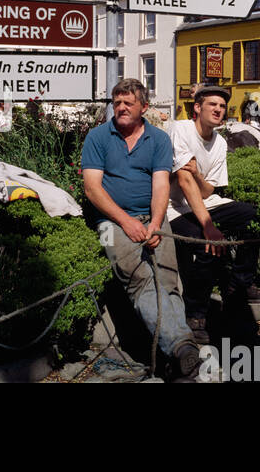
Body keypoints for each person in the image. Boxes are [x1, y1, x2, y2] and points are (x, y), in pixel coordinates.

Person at [81, 78, 201, 380]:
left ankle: (178, 355)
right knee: (140, 278)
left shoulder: (159, 140)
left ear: (143, 107)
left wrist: (156, 223)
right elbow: (93, 189)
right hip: (109, 223)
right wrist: (126, 221)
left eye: (127, 103)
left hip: (152, 219)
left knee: (168, 279)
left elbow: (161, 184)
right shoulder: (98, 137)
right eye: (116, 102)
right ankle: (181, 346)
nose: (120, 108)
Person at [163, 85, 260, 344]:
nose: (219, 110)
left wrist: (198, 173)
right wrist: (209, 227)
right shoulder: (180, 129)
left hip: (205, 203)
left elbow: (208, 190)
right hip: (175, 208)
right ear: (197, 108)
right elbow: (183, 182)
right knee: (205, 242)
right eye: (213, 105)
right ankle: (196, 314)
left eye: (222, 107)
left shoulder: (219, 141)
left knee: (253, 216)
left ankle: (238, 284)